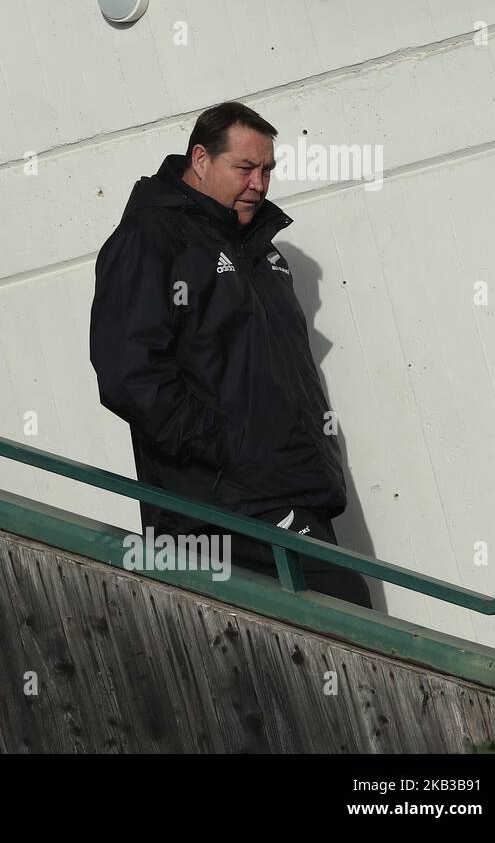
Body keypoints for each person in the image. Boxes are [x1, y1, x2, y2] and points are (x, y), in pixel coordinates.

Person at [89, 101, 372, 608]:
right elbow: (128, 372)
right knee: (350, 617)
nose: (259, 184)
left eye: (267, 170)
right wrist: (226, 448)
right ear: (200, 159)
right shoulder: (153, 237)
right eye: (245, 168)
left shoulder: (260, 251)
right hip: (222, 507)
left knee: (333, 635)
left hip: (288, 493)